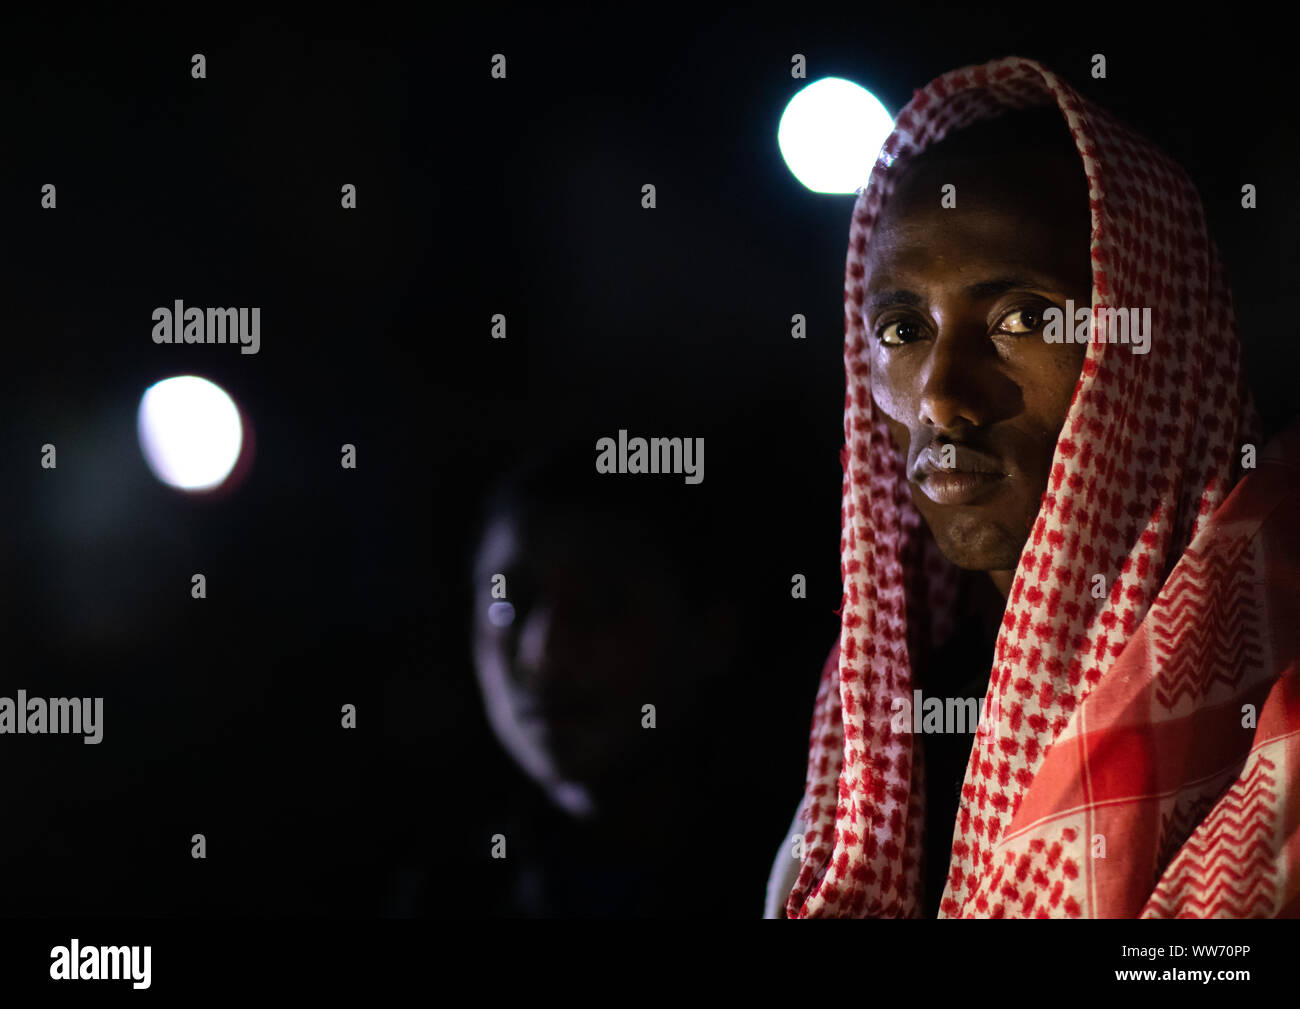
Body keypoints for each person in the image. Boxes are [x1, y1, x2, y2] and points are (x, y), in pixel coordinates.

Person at [767, 55, 1300, 918]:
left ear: (1149, 345)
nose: (942, 394)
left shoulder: (1277, 716)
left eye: (1022, 318)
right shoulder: (869, 736)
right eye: (902, 328)